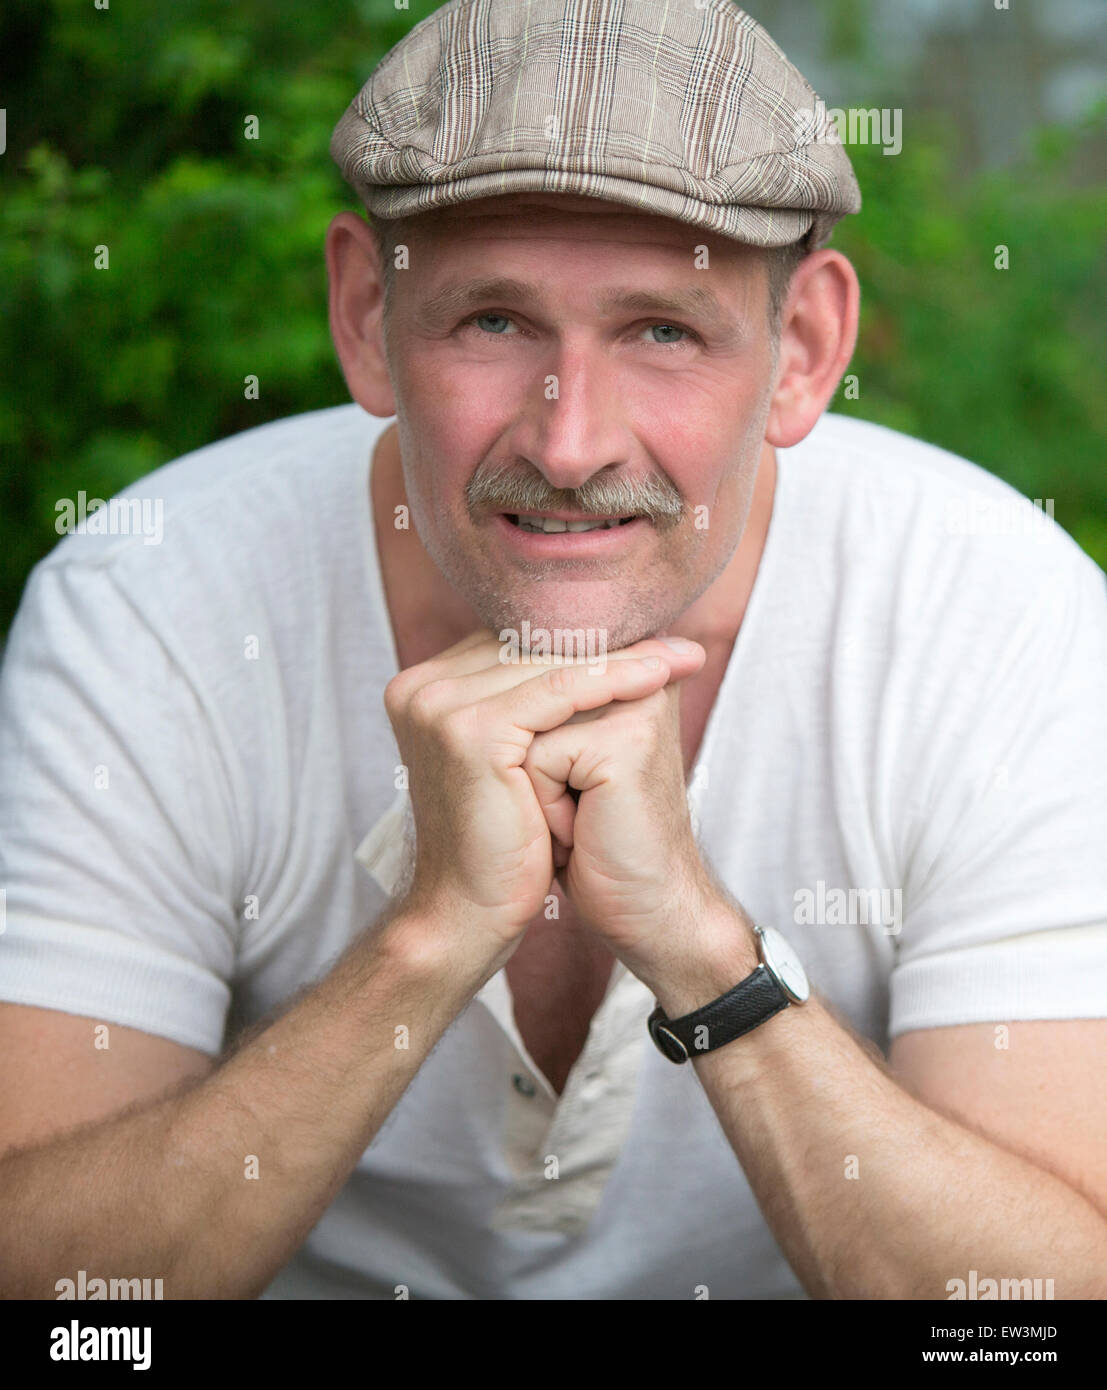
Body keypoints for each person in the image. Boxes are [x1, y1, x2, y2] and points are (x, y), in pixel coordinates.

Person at [1, 0, 1106, 1301]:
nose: (571, 443)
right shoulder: (151, 599)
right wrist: (434, 931)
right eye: (492, 323)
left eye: (662, 330)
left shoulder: (996, 612)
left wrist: (703, 946)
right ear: (365, 315)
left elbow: (1038, 1317)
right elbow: (55, 1300)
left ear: (804, 349)